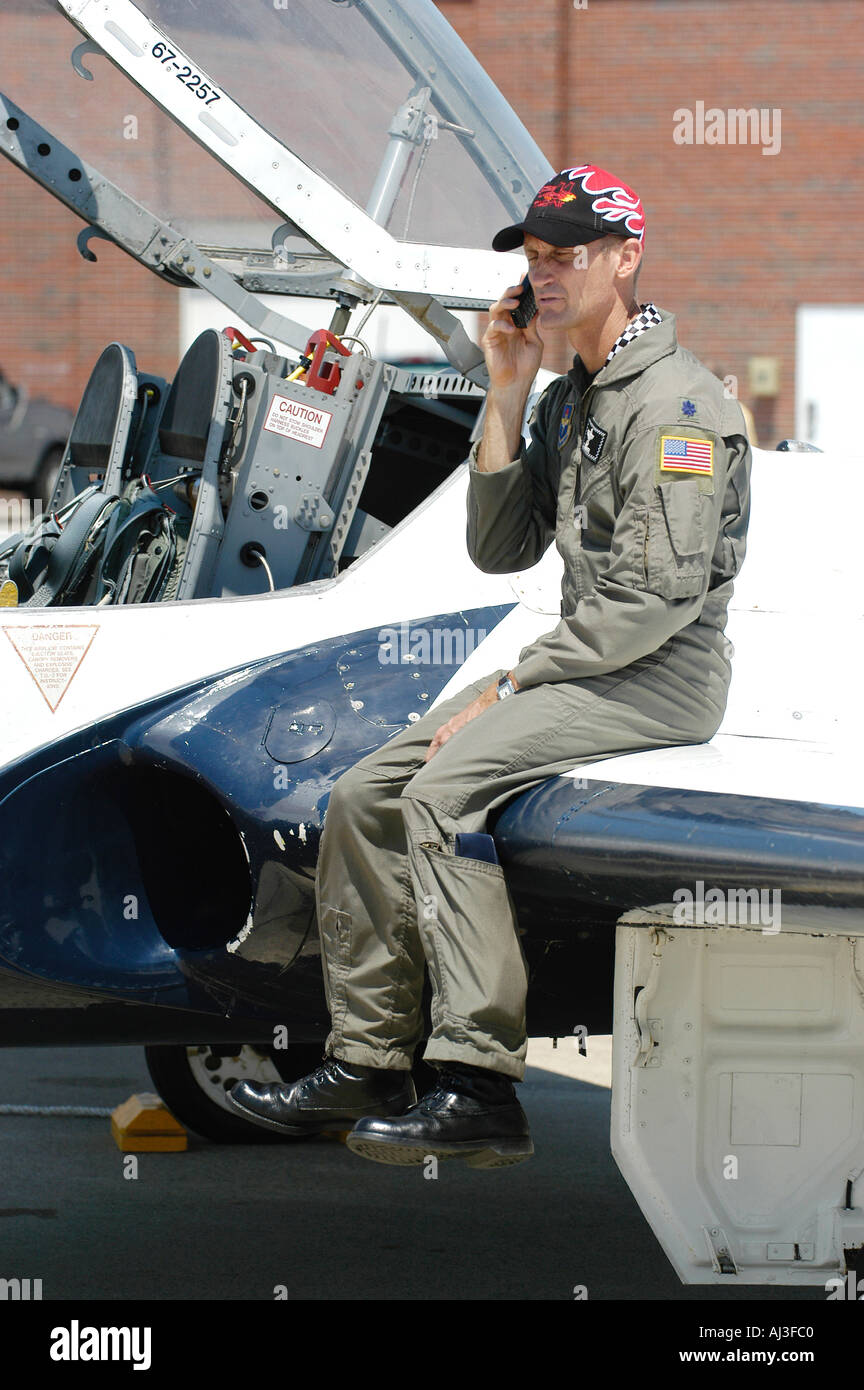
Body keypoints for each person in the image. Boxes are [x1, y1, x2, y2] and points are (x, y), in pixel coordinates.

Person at [228, 163, 751, 1169]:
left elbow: (651, 604)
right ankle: (372, 1060)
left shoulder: (679, 409)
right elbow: (501, 548)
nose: (546, 276)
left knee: (442, 793)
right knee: (362, 794)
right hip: (583, 667)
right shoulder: (570, 400)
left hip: (656, 676)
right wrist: (508, 393)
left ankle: (478, 1081)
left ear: (627, 258)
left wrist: (513, 687)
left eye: (570, 256)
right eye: (537, 258)